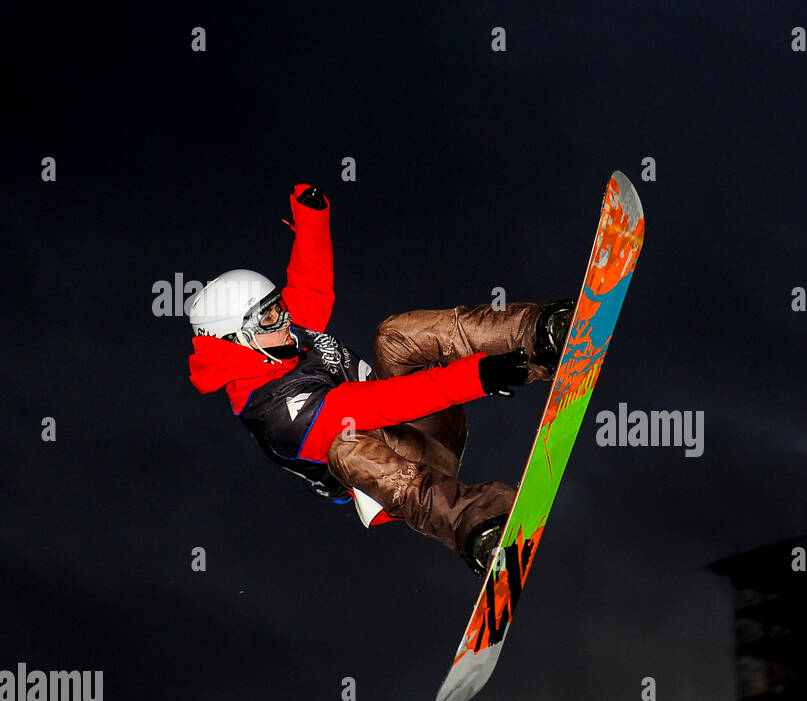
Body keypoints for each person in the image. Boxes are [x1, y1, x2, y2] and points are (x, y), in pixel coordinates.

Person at [186, 183, 574, 575]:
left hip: (427, 424)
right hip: (405, 474)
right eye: (269, 317)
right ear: (237, 340)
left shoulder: (279, 339)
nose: (285, 320)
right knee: (346, 449)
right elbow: (377, 405)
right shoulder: (278, 414)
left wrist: (311, 218)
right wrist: (478, 377)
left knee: (393, 335)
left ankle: (542, 336)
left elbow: (310, 286)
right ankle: (480, 528)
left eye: (278, 308)